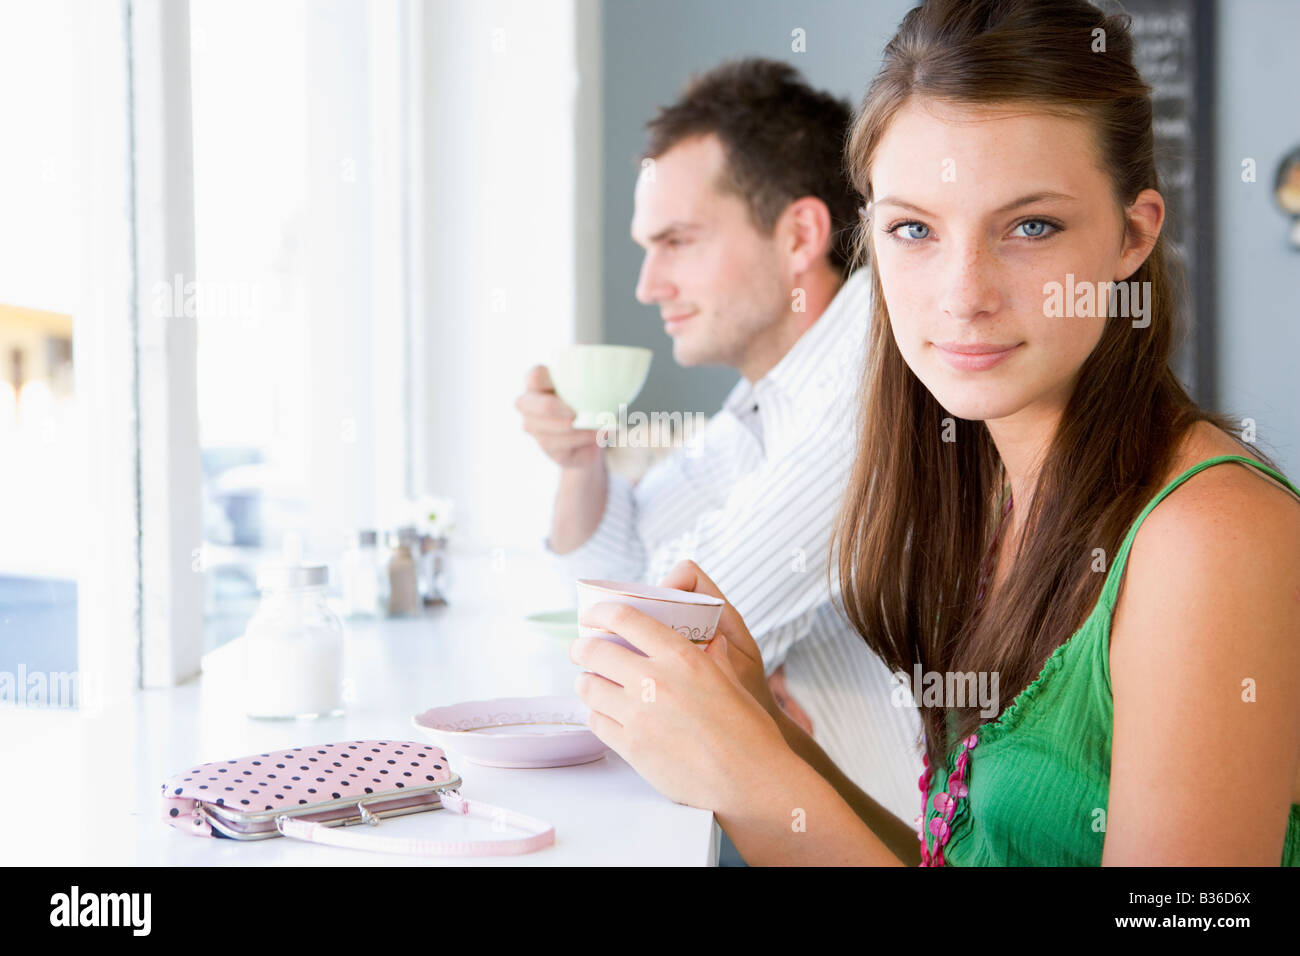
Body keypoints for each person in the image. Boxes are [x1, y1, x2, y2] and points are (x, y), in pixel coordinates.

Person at [569, 0, 1300, 866]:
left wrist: (751, 775)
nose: (963, 293)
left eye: (1030, 226)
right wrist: (763, 733)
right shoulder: (989, 497)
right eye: (914, 229)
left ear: (1134, 236)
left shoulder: (1211, 542)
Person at [516, 58, 924, 827]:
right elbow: (612, 589)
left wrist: (708, 661)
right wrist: (579, 463)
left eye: (678, 241)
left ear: (800, 233)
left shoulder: (877, 364)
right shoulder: (771, 394)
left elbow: (661, 651)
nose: (648, 284)